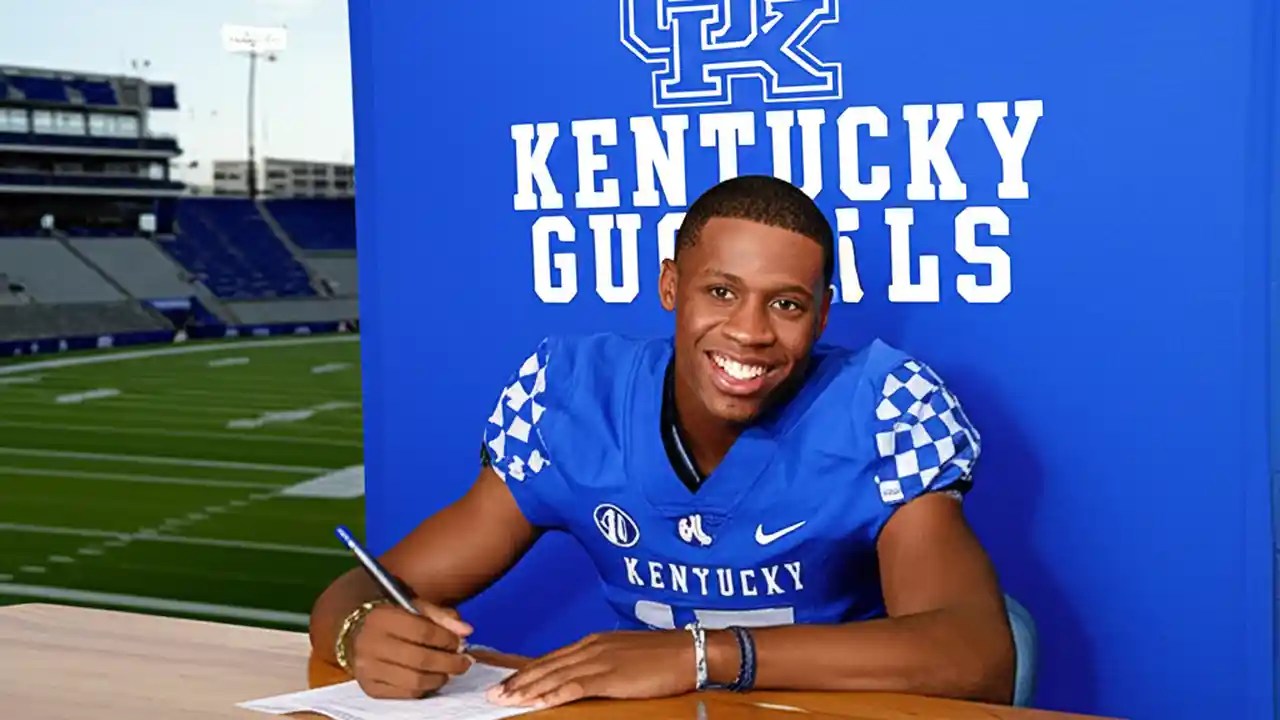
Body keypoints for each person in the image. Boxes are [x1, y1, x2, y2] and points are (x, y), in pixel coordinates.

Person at [309, 175, 1015, 708]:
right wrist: (362, 631)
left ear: (823, 315)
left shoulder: (884, 406)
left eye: (787, 303)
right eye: (721, 292)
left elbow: (974, 654)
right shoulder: (572, 396)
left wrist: (704, 655)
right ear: (671, 287)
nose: (750, 331)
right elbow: (358, 587)